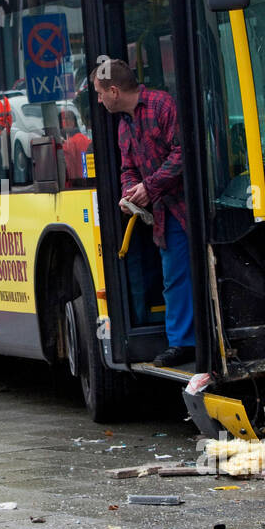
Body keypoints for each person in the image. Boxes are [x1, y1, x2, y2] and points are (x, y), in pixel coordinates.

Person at [92, 57, 194, 367]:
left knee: (180, 275)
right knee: (174, 277)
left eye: (98, 93)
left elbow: (183, 152)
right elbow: (128, 168)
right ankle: (183, 342)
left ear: (113, 91)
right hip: (165, 210)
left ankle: (185, 342)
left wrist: (148, 188)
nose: (97, 100)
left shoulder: (162, 106)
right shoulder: (125, 125)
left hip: (187, 206)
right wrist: (129, 192)